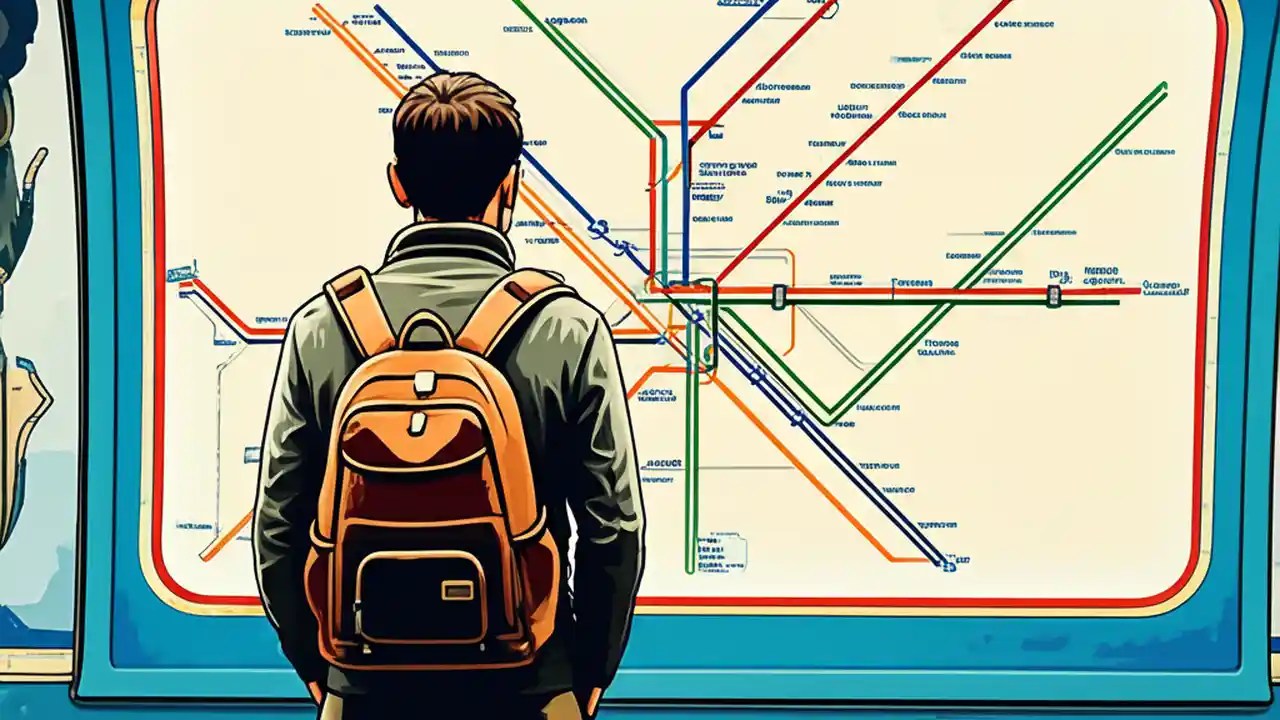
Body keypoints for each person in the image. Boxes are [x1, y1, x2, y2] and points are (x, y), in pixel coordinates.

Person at [253, 71, 645, 720]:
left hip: (364, 686)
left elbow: (278, 527)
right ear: (511, 186)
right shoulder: (568, 329)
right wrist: (589, 671)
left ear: (399, 184)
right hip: (530, 684)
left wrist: (321, 668)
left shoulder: (322, 328)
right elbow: (613, 530)